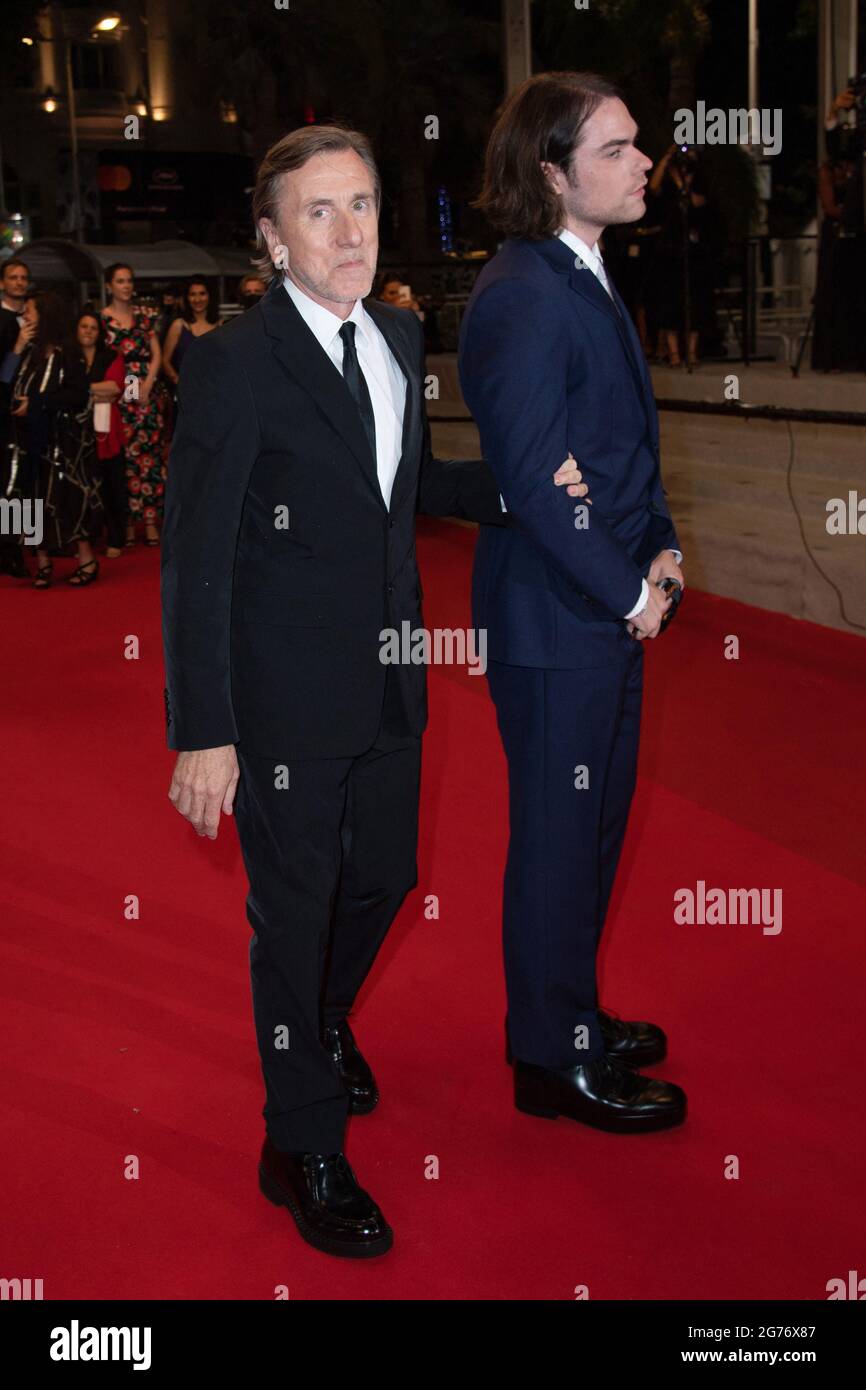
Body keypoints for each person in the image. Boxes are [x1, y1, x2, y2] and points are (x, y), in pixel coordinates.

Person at [161, 123, 586, 1260]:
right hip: (278, 703)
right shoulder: (232, 363)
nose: (349, 232)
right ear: (269, 238)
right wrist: (202, 729)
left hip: (393, 680)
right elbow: (194, 558)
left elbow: (394, 488)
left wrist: (515, 491)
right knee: (289, 917)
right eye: (318, 212)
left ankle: (322, 1018)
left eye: (362, 205)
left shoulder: (397, 333)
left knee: (387, 877)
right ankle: (298, 1140)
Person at [459, 71, 688, 1136]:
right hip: (557, 623)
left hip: (601, 613)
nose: (643, 161)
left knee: (591, 832)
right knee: (558, 839)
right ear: (552, 172)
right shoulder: (519, 292)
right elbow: (532, 483)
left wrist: (665, 544)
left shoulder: (584, 275)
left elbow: (614, 456)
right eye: (615, 147)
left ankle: (571, 1017)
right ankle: (549, 1060)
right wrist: (624, 587)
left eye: (636, 142)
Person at [4, 291, 103, 587]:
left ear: (45, 314)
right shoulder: (28, 351)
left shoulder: (67, 352)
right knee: (30, 498)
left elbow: (77, 395)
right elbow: (4, 381)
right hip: (26, 441)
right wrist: (18, 346)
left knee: (66, 499)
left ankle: (86, 559)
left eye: (31, 311)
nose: (26, 316)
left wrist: (36, 402)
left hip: (62, 444)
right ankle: (42, 560)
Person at [100, 262, 169, 547]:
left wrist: (149, 384)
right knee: (125, 457)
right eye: (120, 281)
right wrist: (129, 388)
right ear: (108, 286)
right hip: (119, 389)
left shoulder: (146, 315)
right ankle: (127, 521)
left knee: (150, 455)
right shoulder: (102, 319)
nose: (126, 285)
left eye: (129, 280)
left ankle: (150, 521)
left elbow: (156, 353)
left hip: (146, 388)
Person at [74, 310, 127, 557]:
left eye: (93, 327)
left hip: (108, 432)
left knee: (112, 486)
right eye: (83, 326)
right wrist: (94, 391)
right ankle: (86, 538)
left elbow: (115, 388)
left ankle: (116, 538)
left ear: (100, 332)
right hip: (76, 433)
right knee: (83, 488)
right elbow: (63, 391)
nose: (88, 331)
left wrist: (80, 390)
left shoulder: (112, 356)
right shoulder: (68, 357)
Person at [0, 258, 33, 577]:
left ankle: (34, 545)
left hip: (32, 415)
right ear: (2, 282)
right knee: (8, 484)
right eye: (13, 277)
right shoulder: (4, 321)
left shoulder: (33, 317)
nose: (20, 282)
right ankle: (10, 552)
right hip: (6, 416)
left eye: (24, 277)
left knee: (29, 481)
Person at [162, 279, 222, 393]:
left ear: (210, 296)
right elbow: (165, 361)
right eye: (192, 294)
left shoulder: (222, 325)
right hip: (187, 393)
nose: (197, 299)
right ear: (187, 298)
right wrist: (179, 381)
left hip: (216, 391)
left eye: (202, 294)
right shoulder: (179, 325)